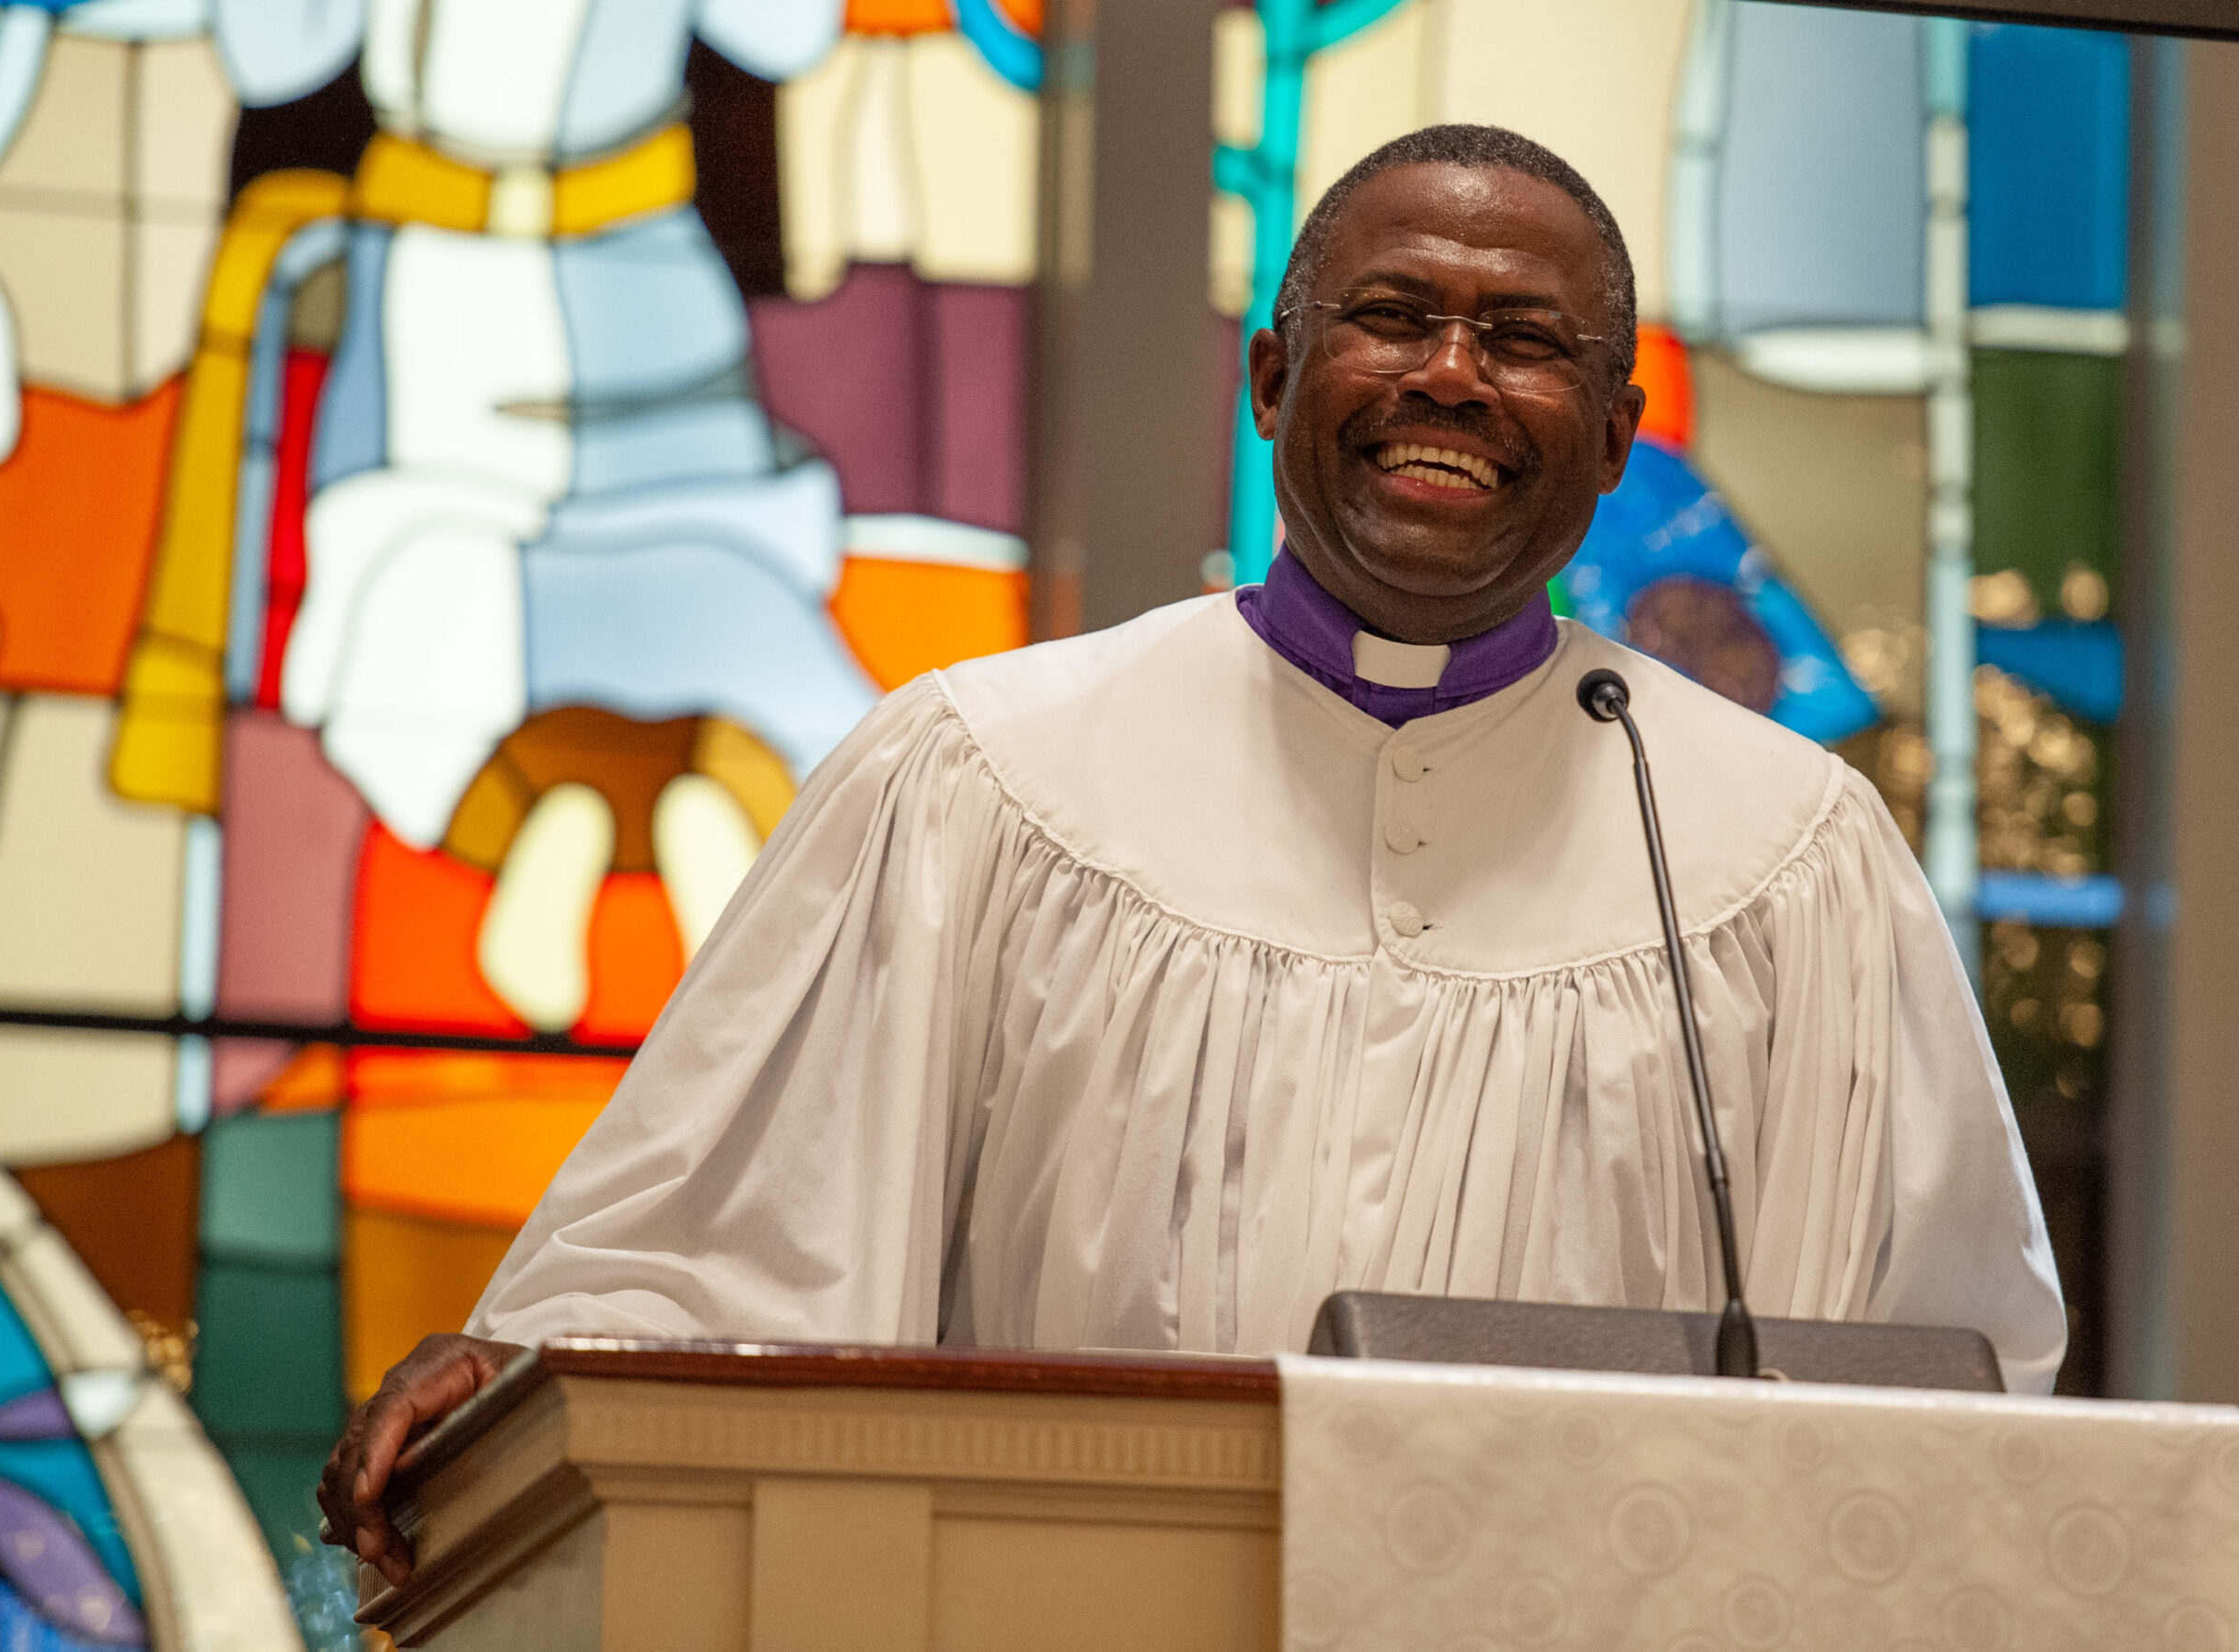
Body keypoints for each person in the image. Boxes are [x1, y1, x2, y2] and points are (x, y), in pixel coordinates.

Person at [318, 124, 2065, 1581]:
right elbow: (724, 1258)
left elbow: (1934, 1391)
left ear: (1613, 434)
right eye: (1392, 316)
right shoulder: (983, 775)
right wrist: (542, 1372)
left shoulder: (1784, 861)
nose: (1450, 375)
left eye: (1526, 339)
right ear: (1273, 376)